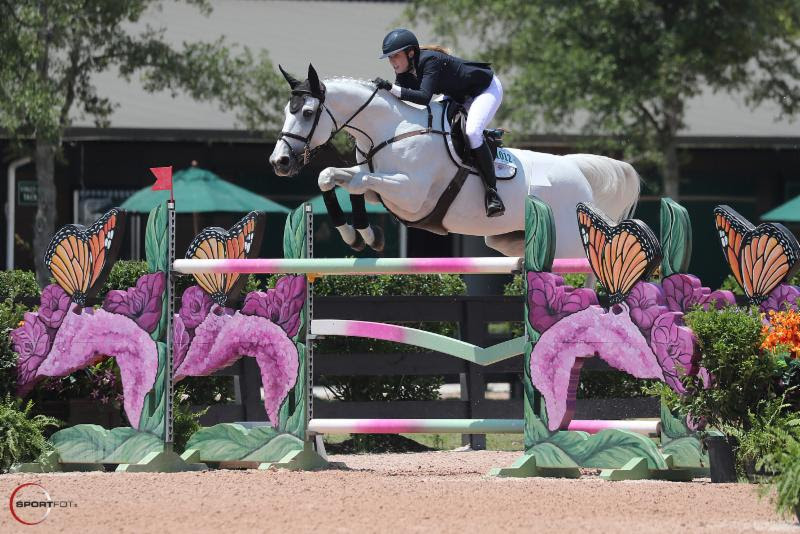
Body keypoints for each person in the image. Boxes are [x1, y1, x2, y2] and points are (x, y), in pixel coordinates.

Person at [373, 29, 505, 217]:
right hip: (457, 95)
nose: (392, 61)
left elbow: (424, 98)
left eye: (395, 56)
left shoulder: (430, 61)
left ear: (410, 53)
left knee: (473, 132)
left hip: (484, 90)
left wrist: (390, 88)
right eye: (389, 57)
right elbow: (401, 102)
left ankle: (492, 193)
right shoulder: (404, 71)